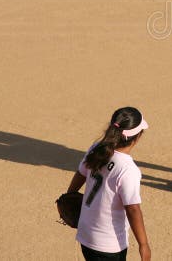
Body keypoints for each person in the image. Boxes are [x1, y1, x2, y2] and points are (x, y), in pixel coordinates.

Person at [64, 107, 151, 261]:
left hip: (86, 234)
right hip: (109, 244)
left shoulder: (97, 148)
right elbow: (132, 208)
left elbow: (81, 173)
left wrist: (69, 196)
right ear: (137, 137)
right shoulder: (127, 169)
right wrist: (143, 244)